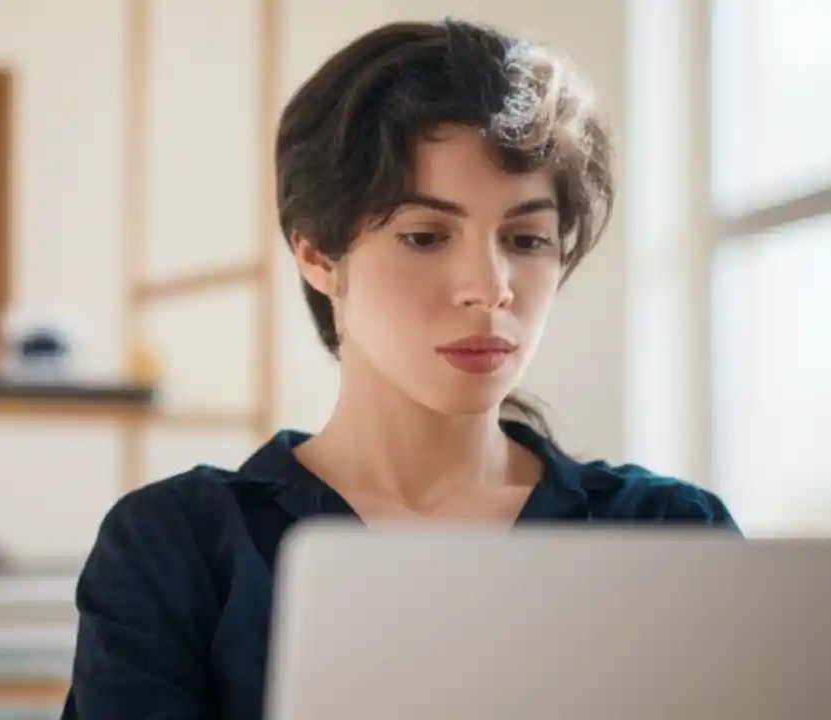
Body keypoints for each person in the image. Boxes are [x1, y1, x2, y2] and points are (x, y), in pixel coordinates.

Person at [61, 18, 737, 720]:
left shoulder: (672, 533)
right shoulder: (179, 547)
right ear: (318, 256)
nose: (490, 287)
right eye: (424, 236)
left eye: (526, 238)